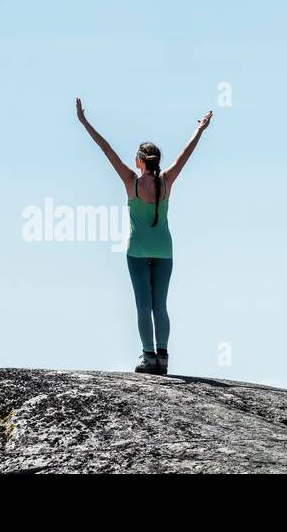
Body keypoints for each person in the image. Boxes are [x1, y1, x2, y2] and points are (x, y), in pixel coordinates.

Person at [76, 97, 213, 374]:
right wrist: (200, 129)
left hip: (137, 252)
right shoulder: (166, 181)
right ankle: (162, 358)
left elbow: (106, 149)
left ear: (139, 161)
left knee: (143, 305)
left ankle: (148, 357)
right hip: (164, 251)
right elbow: (186, 154)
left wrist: (84, 122)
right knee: (160, 305)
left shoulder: (131, 181)